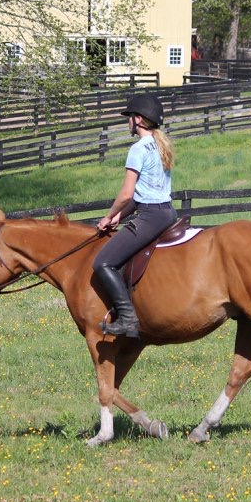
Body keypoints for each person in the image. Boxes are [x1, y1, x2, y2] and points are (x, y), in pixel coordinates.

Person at [92, 93, 177, 338]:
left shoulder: (138, 149)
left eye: (129, 117)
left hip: (150, 217)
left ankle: (128, 318)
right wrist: (122, 216)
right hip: (167, 212)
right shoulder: (161, 144)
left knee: (102, 262)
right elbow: (146, 192)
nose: (127, 122)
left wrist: (109, 215)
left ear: (138, 119)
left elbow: (127, 193)